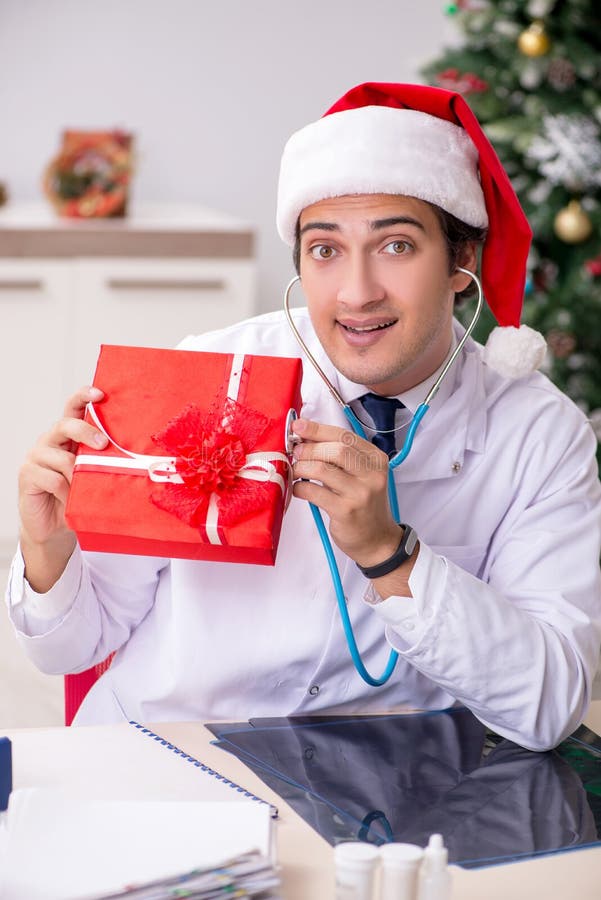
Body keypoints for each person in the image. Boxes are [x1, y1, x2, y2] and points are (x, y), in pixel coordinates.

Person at [5, 83, 601, 751]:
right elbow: (73, 647)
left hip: (386, 783)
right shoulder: (210, 374)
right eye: (324, 250)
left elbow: (548, 706)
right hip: (172, 752)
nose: (356, 292)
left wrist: (390, 554)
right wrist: (49, 551)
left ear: (461, 260)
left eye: (397, 246)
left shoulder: (538, 434)